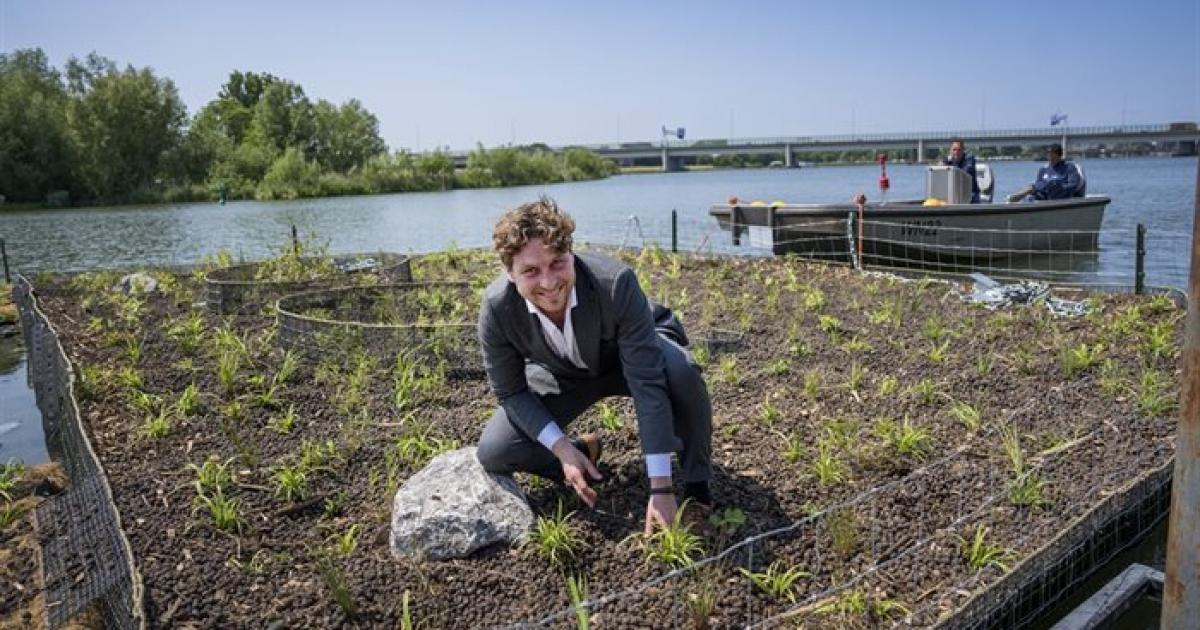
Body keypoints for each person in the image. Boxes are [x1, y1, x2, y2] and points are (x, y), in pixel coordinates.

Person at [476, 197, 713, 533]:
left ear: (571, 254)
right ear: (510, 274)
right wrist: (560, 448)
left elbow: (647, 385)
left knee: (680, 371)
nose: (547, 281)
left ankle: (697, 484)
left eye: (557, 263)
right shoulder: (497, 308)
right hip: (563, 371)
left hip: (627, 358)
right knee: (496, 450)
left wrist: (661, 486)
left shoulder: (615, 283)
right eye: (530, 270)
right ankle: (581, 454)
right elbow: (511, 392)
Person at [942, 138, 980, 203]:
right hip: (954, 194)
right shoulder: (947, 161)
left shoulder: (969, 159)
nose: (956, 152)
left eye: (959, 150)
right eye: (954, 150)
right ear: (950, 151)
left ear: (963, 150)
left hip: (971, 193)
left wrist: (953, 164)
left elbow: (966, 172)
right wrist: (943, 164)